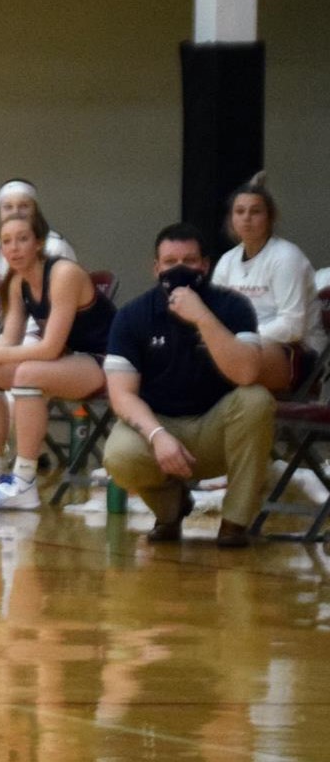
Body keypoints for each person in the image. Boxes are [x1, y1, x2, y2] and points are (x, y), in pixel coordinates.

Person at [102, 223, 275, 549]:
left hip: (218, 430)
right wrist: (157, 436)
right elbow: (121, 394)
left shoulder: (233, 307)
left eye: (189, 260)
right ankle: (171, 510)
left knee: (256, 399)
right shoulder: (132, 316)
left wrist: (203, 319)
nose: (179, 269)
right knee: (118, 455)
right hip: (162, 427)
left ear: (205, 266)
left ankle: (234, 523)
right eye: (170, 262)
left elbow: (247, 373)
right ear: (156, 268)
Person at [0, 210, 114, 509]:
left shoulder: (64, 274)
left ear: (39, 243)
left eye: (22, 239)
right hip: (77, 359)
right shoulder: (15, 282)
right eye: (6, 241)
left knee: (27, 374)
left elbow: (49, 348)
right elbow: (9, 341)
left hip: (111, 361)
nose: (14, 247)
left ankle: (25, 482)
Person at [212, 173, 320, 395]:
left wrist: (240, 340)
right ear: (231, 218)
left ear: (270, 218)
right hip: (240, 346)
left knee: (231, 364)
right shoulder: (227, 261)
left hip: (297, 351)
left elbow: (292, 327)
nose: (247, 218)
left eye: (256, 211)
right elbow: (215, 315)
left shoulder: (286, 257)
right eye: (240, 211)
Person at [0, 180, 74, 289]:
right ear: (0, 213)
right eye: (8, 207)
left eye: (24, 206)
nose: (15, 212)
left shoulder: (55, 247)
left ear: (35, 211)